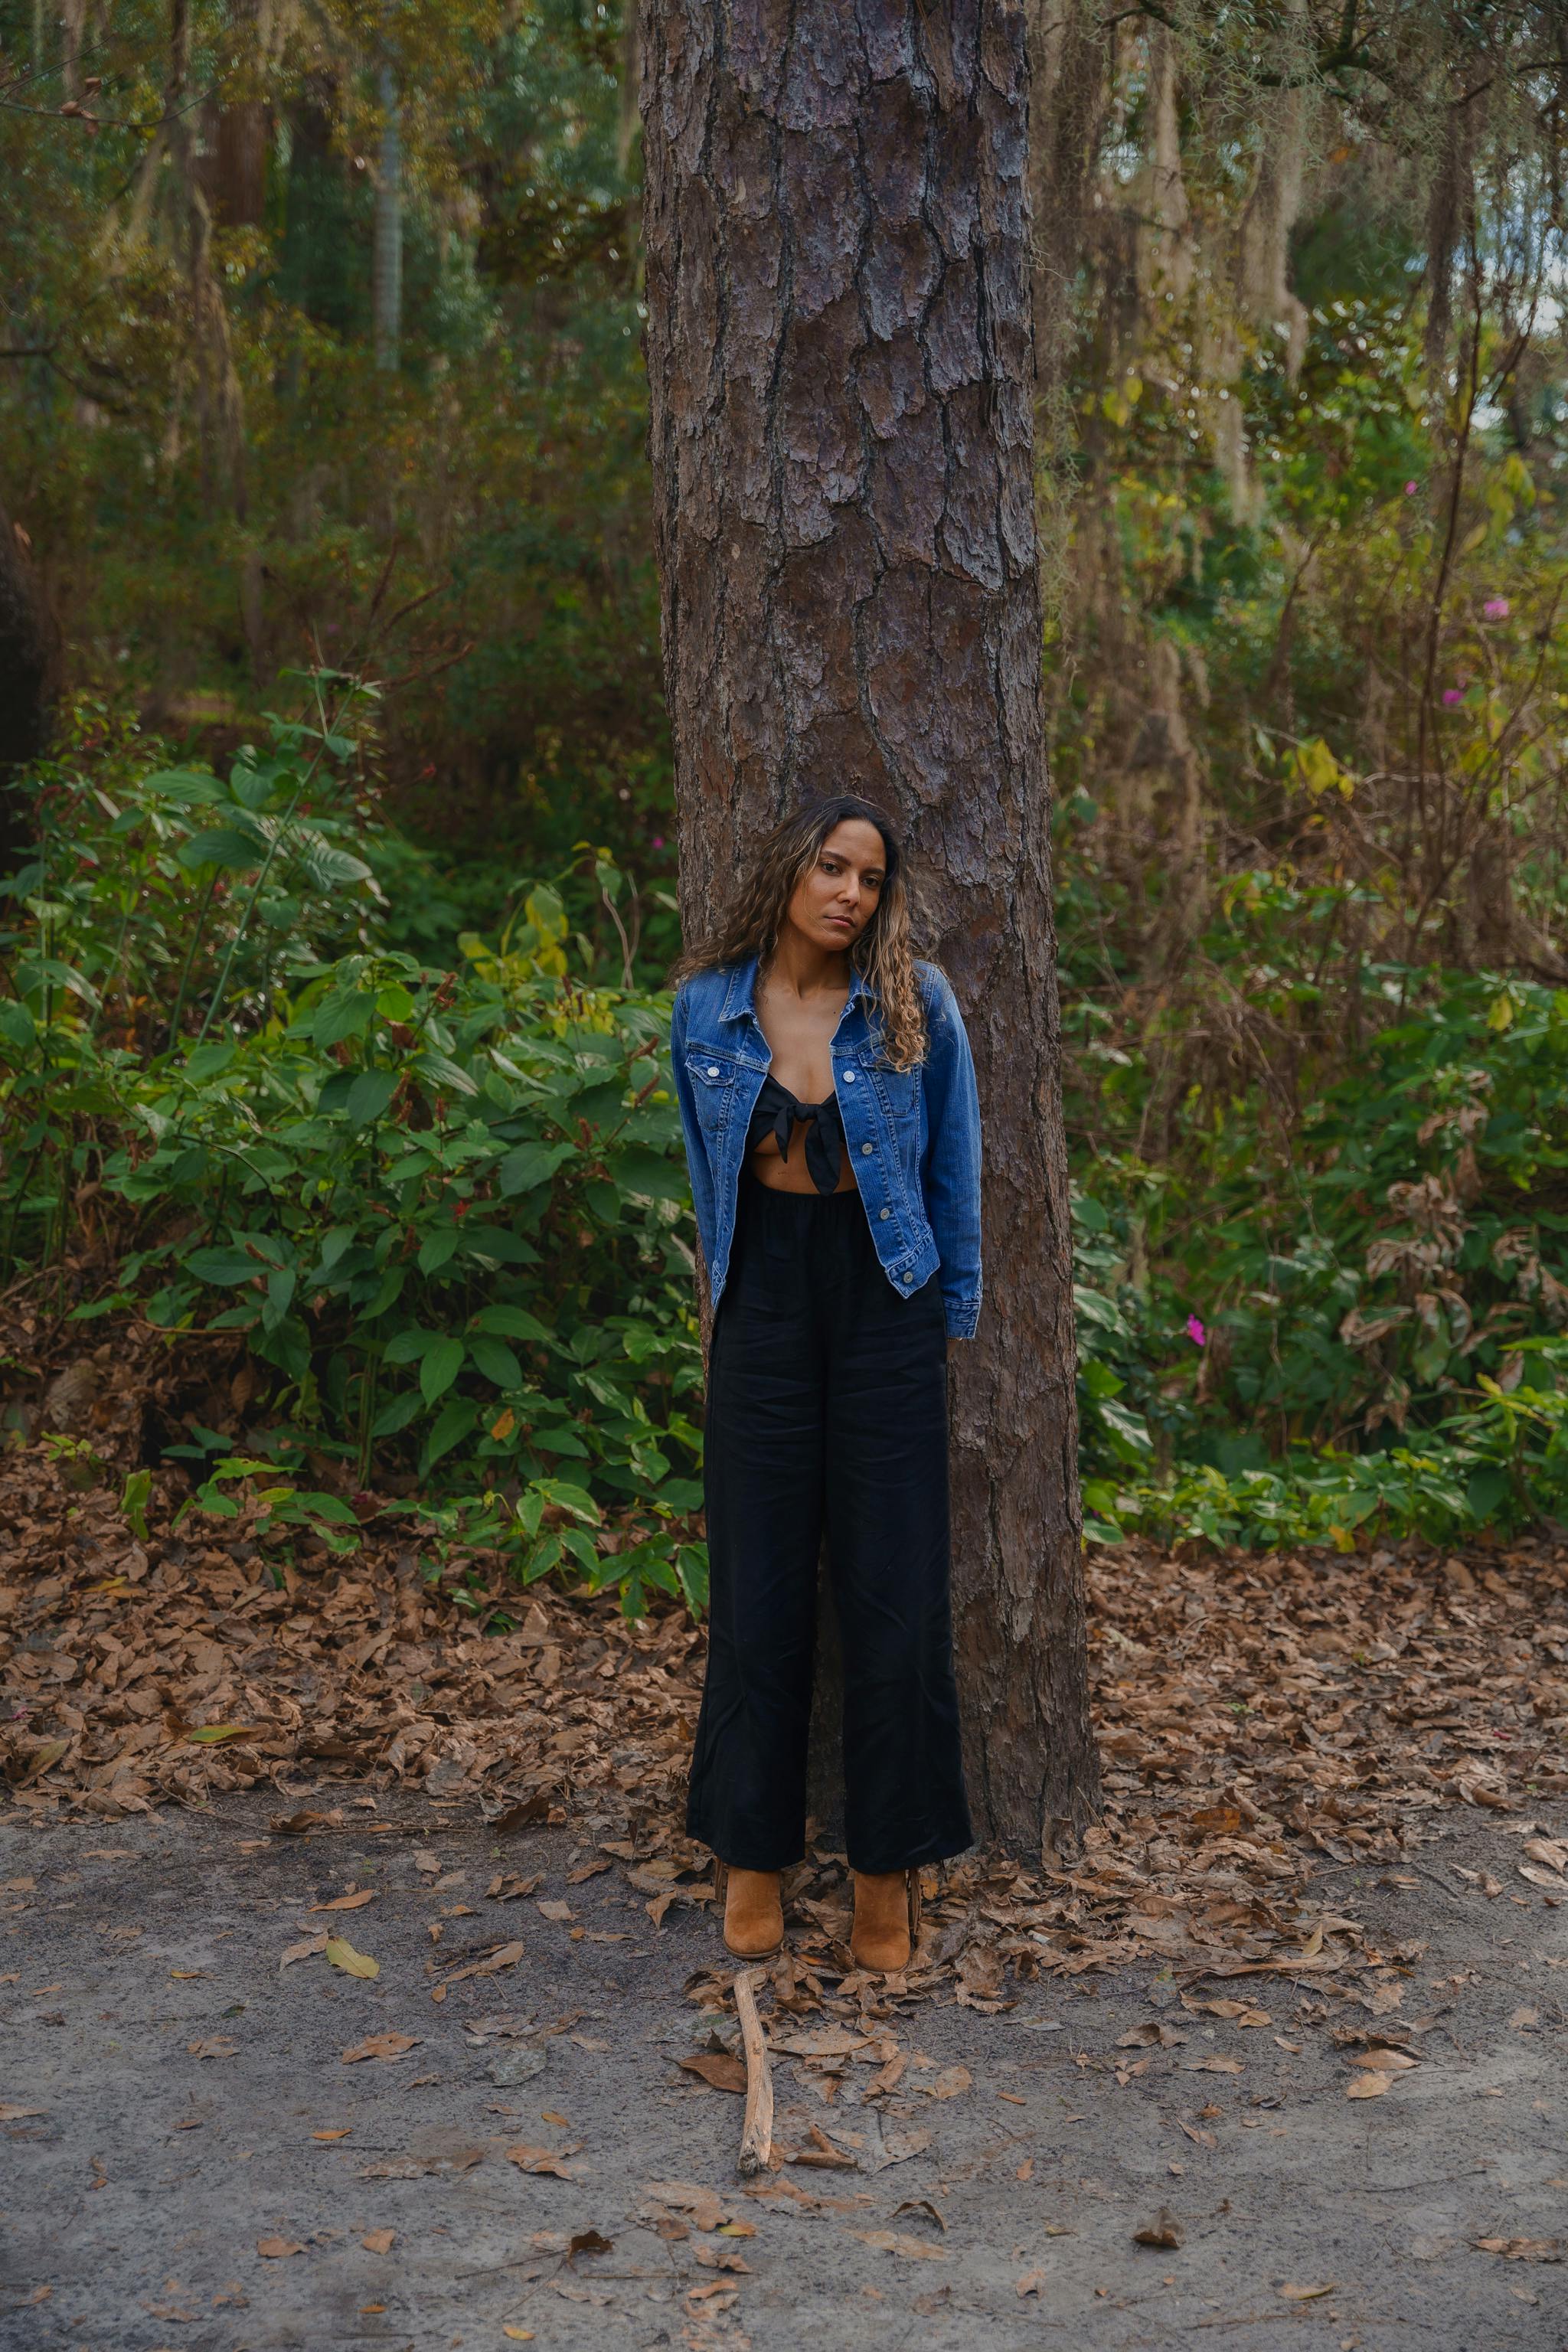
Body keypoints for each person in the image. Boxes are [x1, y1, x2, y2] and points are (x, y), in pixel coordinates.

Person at [668, 793, 982, 1974]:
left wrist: (952, 1311)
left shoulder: (915, 1005)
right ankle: (752, 1854)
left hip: (883, 1300)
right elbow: (706, 1175)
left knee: (894, 1595)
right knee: (756, 1586)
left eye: (870, 878)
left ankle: (887, 1871)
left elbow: (956, 1162)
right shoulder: (706, 1005)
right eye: (832, 867)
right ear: (790, 870)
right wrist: (725, 1307)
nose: (850, 892)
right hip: (763, 1307)